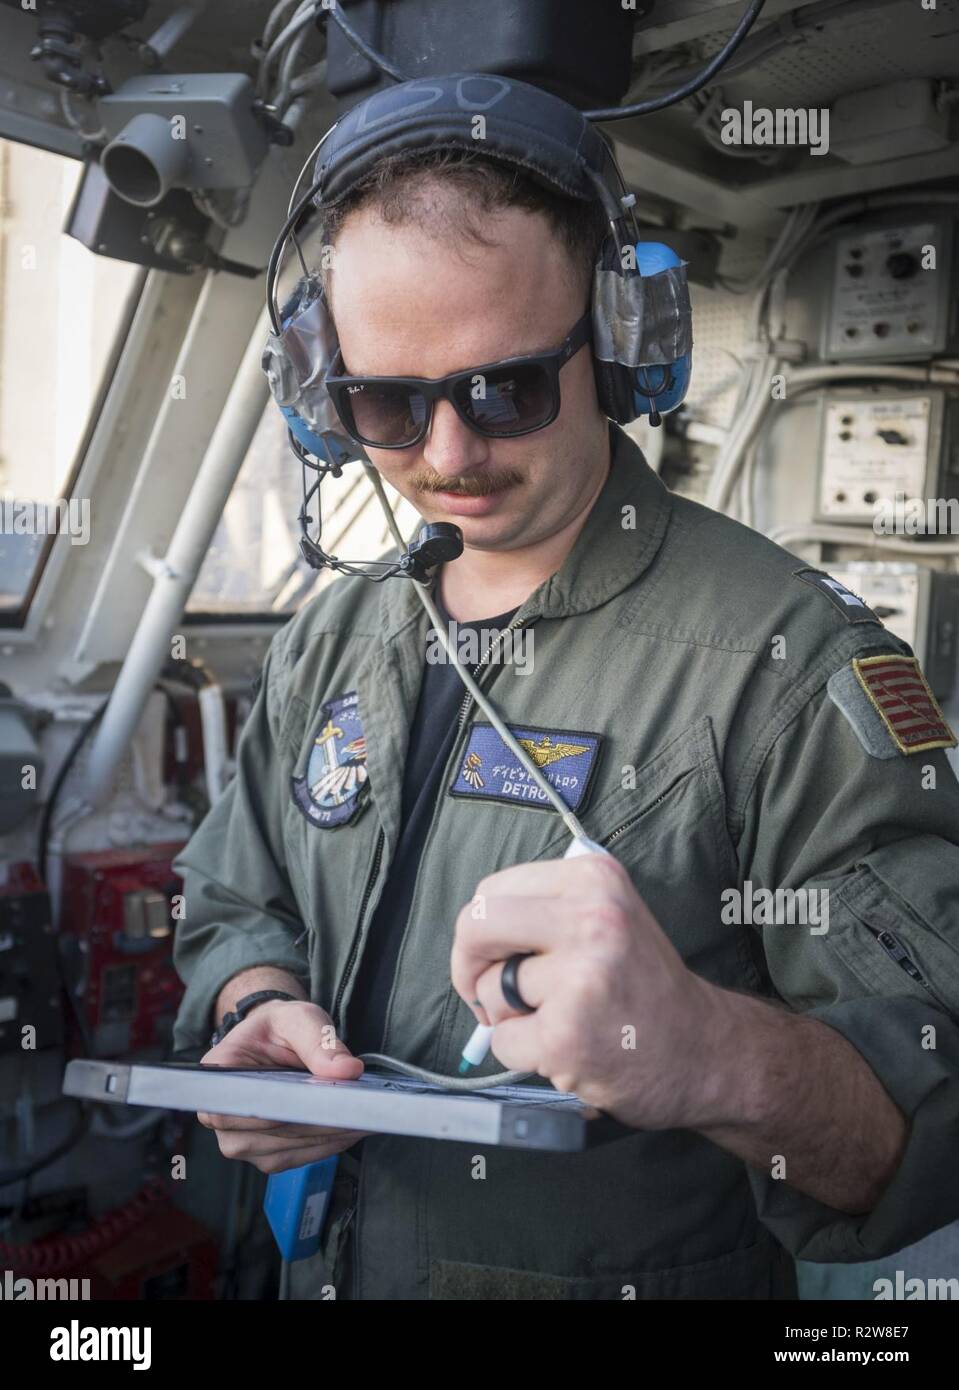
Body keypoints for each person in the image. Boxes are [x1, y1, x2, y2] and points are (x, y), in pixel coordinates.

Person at [172, 145, 959, 1300]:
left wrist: (705, 1050)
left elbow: (930, 1121)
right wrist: (260, 1004)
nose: (449, 455)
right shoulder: (331, 634)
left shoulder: (785, 664)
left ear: (619, 349)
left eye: (505, 389)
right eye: (388, 403)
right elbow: (234, 893)